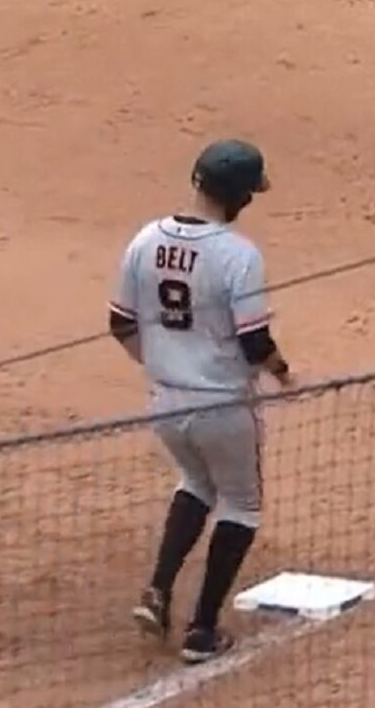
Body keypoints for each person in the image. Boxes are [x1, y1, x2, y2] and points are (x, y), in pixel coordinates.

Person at [108, 139, 295, 663]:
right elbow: (254, 343)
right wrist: (282, 372)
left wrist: (164, 365)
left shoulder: (147, 239)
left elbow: (120, 322)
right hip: (223, 407)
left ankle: (158, 591)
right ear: (242, 197)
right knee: (241, 505)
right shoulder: (239, 255)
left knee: (195, 483)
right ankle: (202, 631)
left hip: (165, 402)